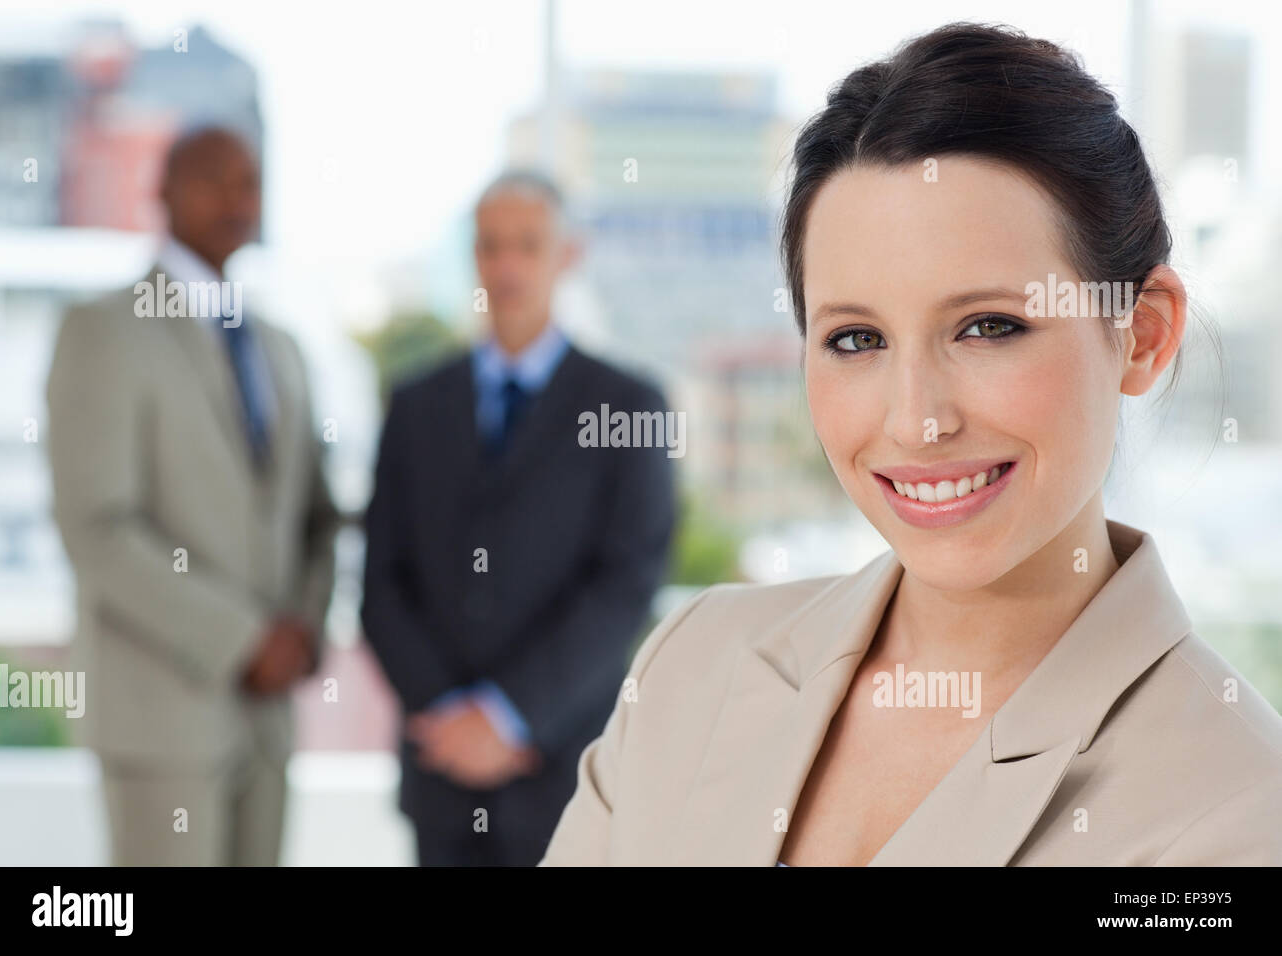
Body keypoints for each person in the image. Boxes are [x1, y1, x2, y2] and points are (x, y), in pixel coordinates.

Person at [541, 23, 1282, 866]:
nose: (914, 421)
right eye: (857, 340)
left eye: (989, 327)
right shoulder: (694, 663)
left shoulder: (1238, 814)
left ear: (1143, 334)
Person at [361, 170, 676, 866]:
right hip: (439, 775)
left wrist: (509, 715)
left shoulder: (628, 405)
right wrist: (450, 716)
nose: (507, 266)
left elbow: (628, 583)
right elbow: (380, 583)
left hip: (566, 770)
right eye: (490, 246)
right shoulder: (415, 406)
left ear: (568, 256)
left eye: (528, 246)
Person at [46, 126, 339, 866]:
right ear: (162, 190)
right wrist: (242, 639)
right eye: (212, 178)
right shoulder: (102, 332)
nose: (236, 198)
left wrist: (302, 628)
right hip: (163, 718)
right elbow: (96, 528)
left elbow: (317, 516)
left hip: (269, 718)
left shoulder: (282, 347)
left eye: (250, 181)